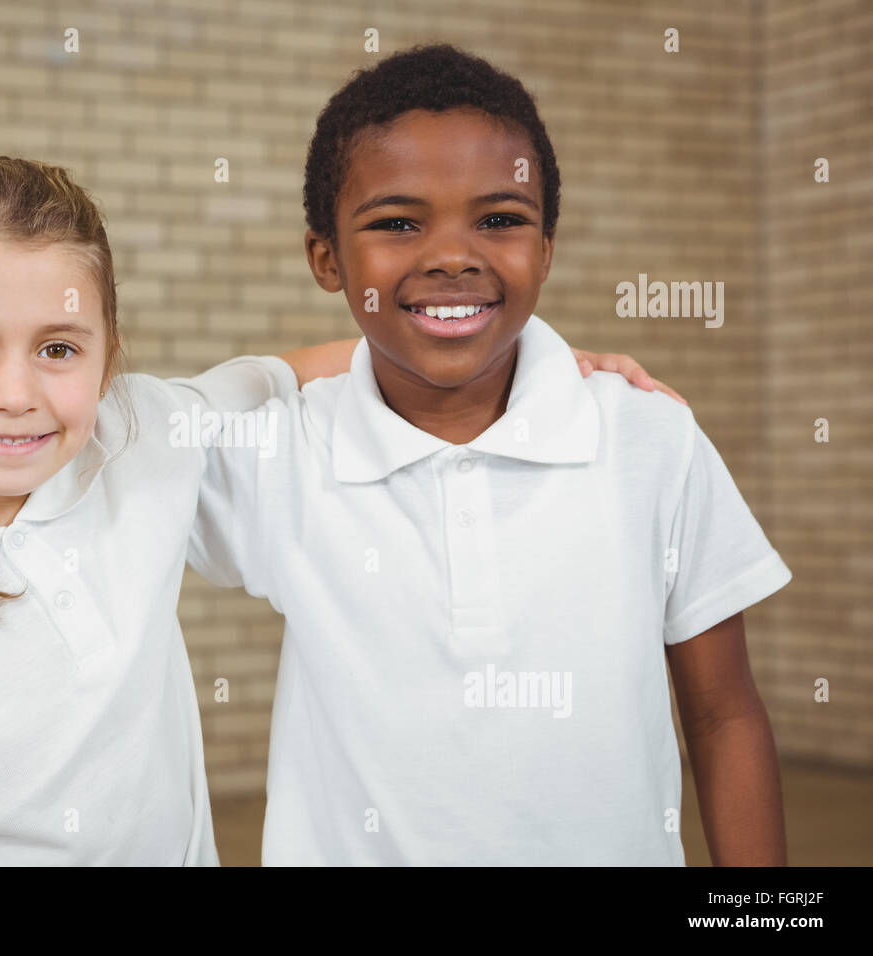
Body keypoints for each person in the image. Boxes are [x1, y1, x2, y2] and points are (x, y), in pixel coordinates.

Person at [0, 149, 675, 864]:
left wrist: (507, 350)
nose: (16, 392)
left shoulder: (143, 435)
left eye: (58, 347)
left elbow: (280, 372)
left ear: (109, 363)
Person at [186, 43, 790, 864]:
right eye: (398, 223)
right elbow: (131, 428)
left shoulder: (649, 439)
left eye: (500, 220)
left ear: (545, 248)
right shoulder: (285, 452)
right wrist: (292, 370)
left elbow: (724, 715)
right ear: (326, 258)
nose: (452, 256)